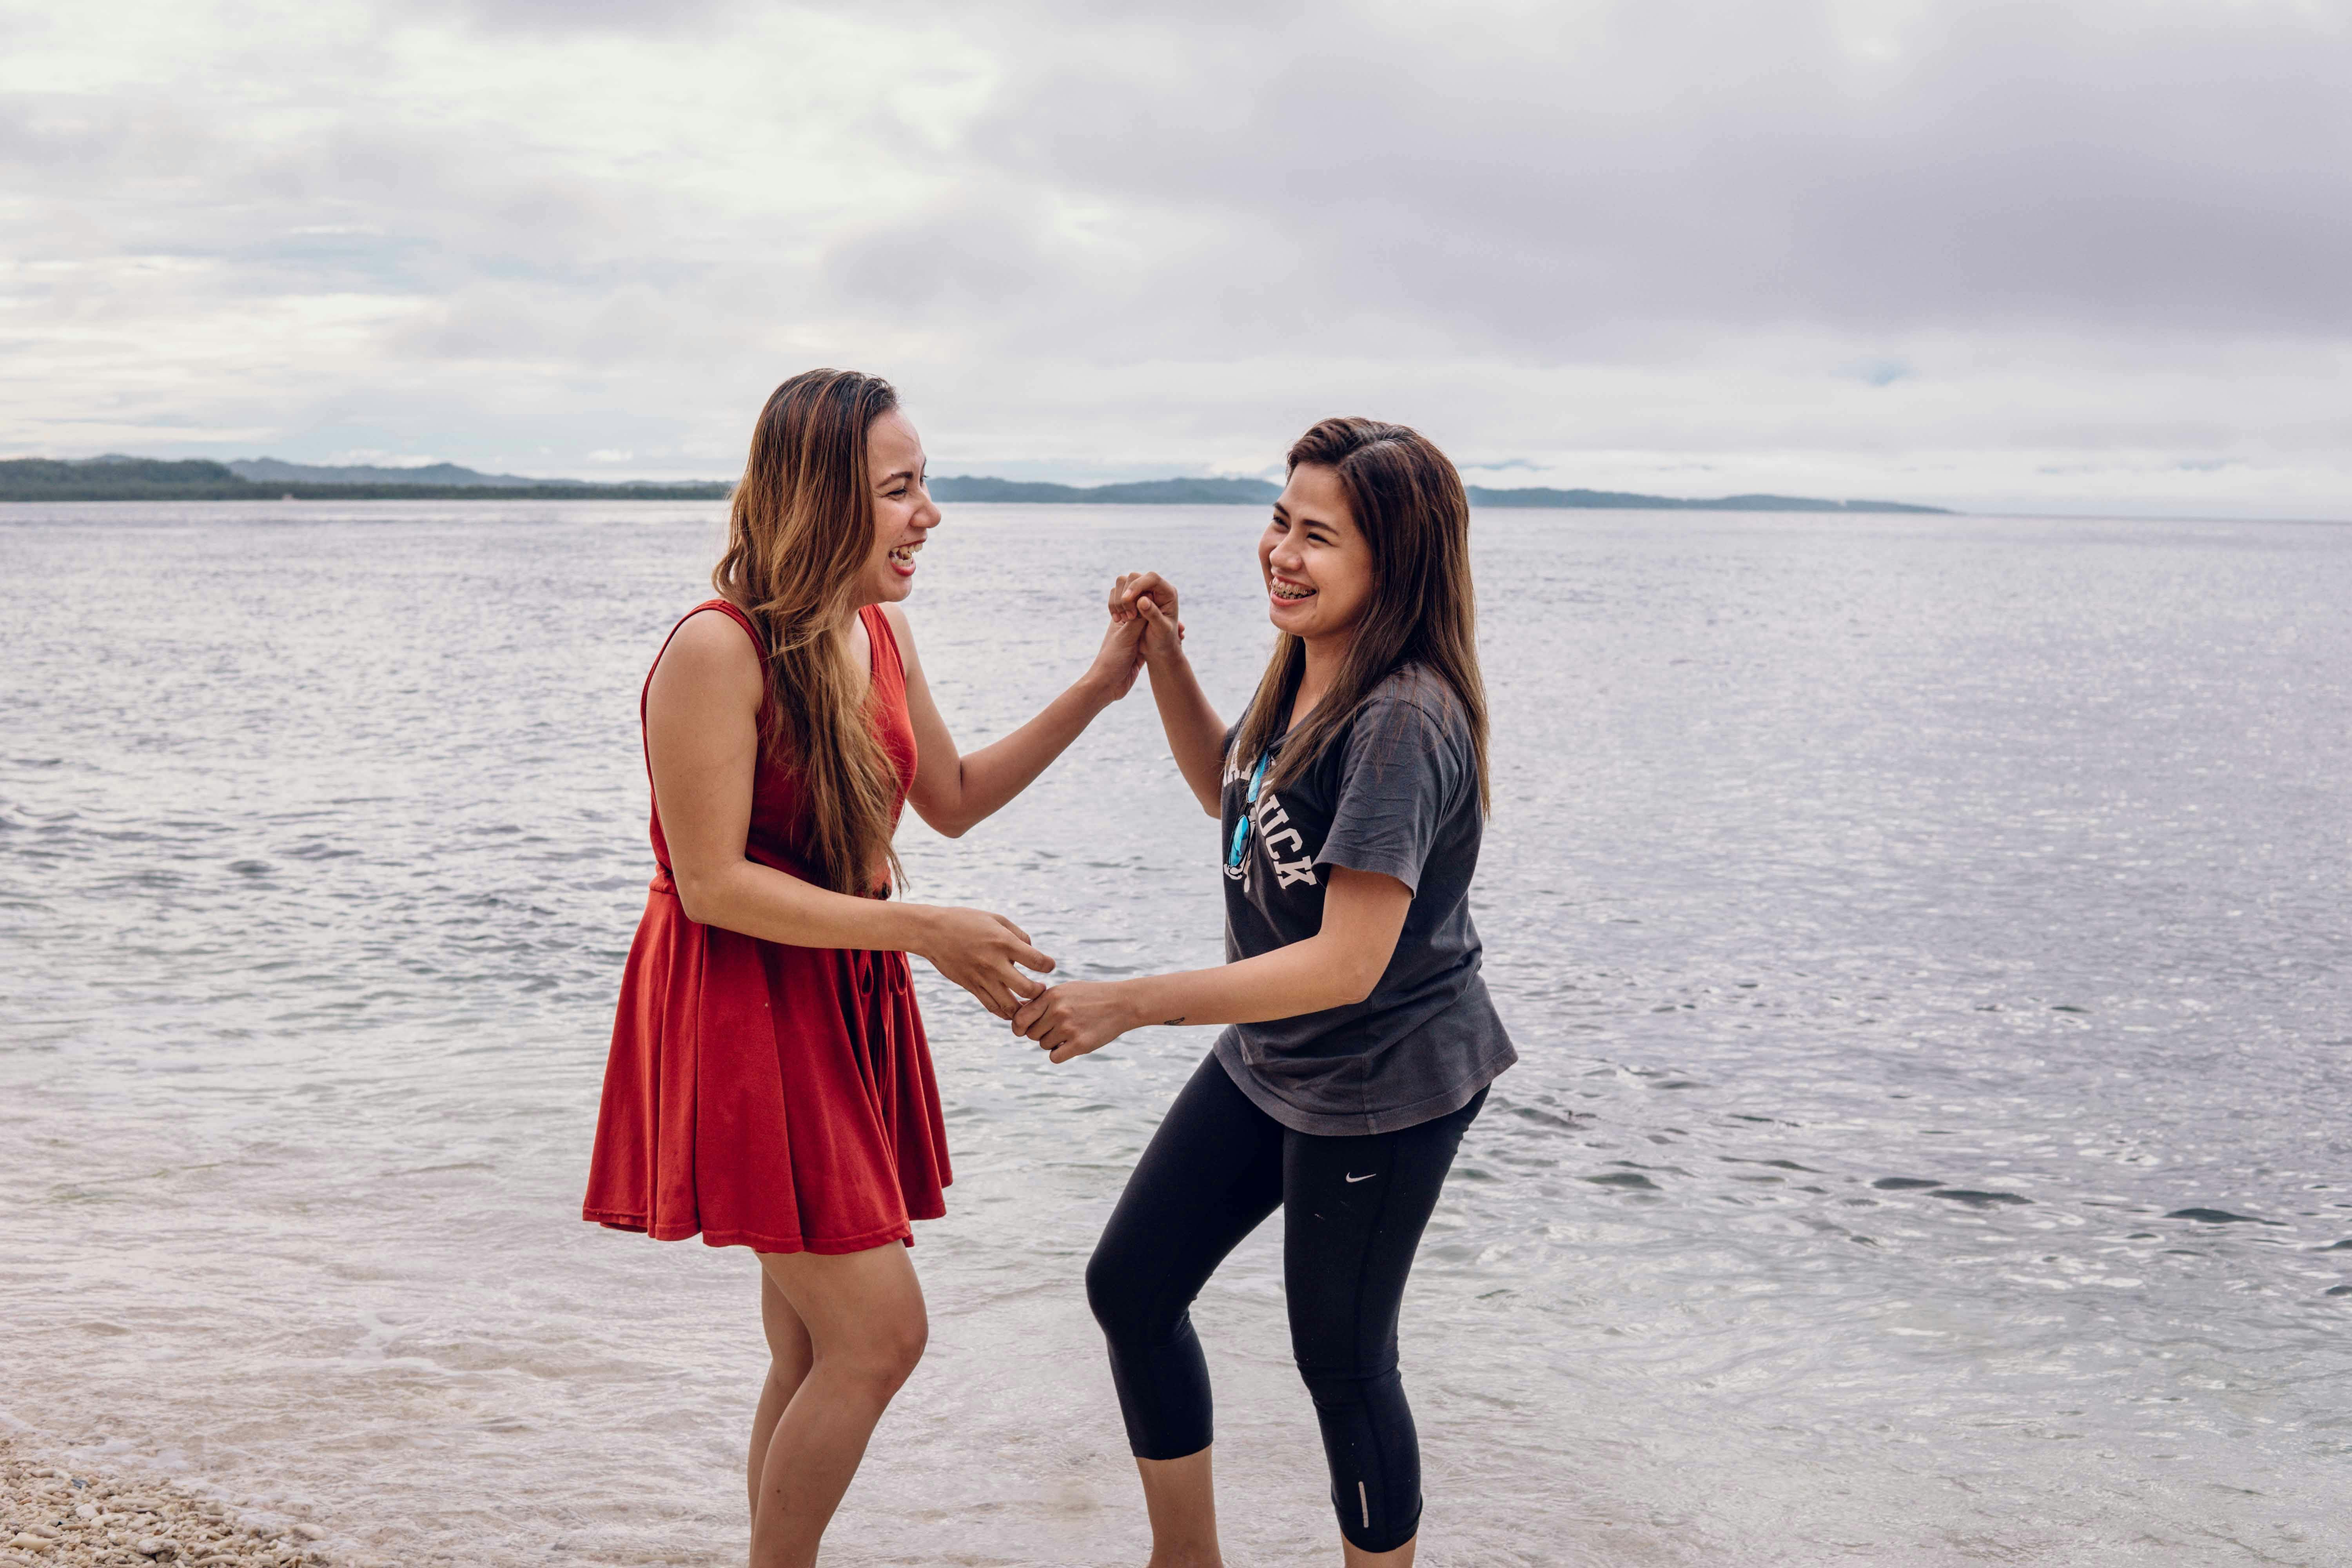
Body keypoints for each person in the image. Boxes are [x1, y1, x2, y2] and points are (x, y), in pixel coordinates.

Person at [582, 368, 1147, 1568]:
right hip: (741, 1005)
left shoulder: (876, 631)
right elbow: (714, 882)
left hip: (836, 997)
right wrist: (923, 931)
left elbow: (947, 799)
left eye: (923, 486)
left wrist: (1101, 687)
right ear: (819, 501)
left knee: (810, 1350)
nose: (929, 514)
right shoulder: (714, 650)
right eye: (901, 490)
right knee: (880, 1338)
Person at [1011, 416, 1514, 1568]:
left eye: (1320, 537)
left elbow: (1348, 962)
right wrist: (1165, 660)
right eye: (1282, 521)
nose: (1283, 553)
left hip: (1386, 1078)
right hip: (1278, 1050)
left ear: (1396, 565)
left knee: (1341, 1363)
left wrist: (1129, 1002)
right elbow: (1235, 799)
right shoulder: (1308, 664)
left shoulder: (1401, 717)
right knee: (1132, 1287)